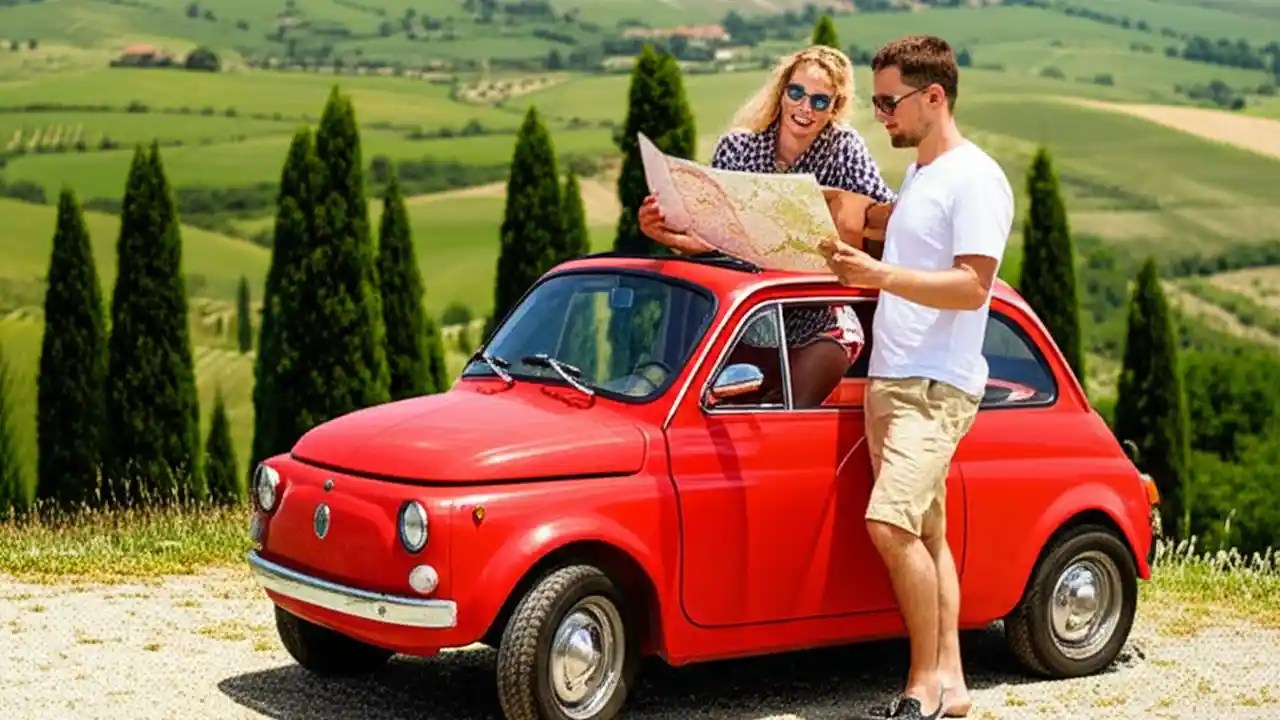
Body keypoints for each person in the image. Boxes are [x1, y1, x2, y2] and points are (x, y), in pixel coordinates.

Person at [820, 35, 1014, 720]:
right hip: (894, 381)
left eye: (889, 102)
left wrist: (879, 276)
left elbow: (972, 286)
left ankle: (921, 686)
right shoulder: (922, 176)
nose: (880, 116)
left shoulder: (975, 178)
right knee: (928, 535)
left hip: (935, 388)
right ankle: (955, 684)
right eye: (875, 102)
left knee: (890, 525)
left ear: (935, 97)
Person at [637, 44, 896, 408]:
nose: (805, 108)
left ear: (833, 109)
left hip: (813, 312)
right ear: (782, 93)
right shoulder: (738, 148)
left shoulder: (844, 148)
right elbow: (710, 238)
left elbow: (884, 212)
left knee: (807, 387)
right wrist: (667, 232)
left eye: (820, 102)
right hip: (740, 314)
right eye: (797, 93)